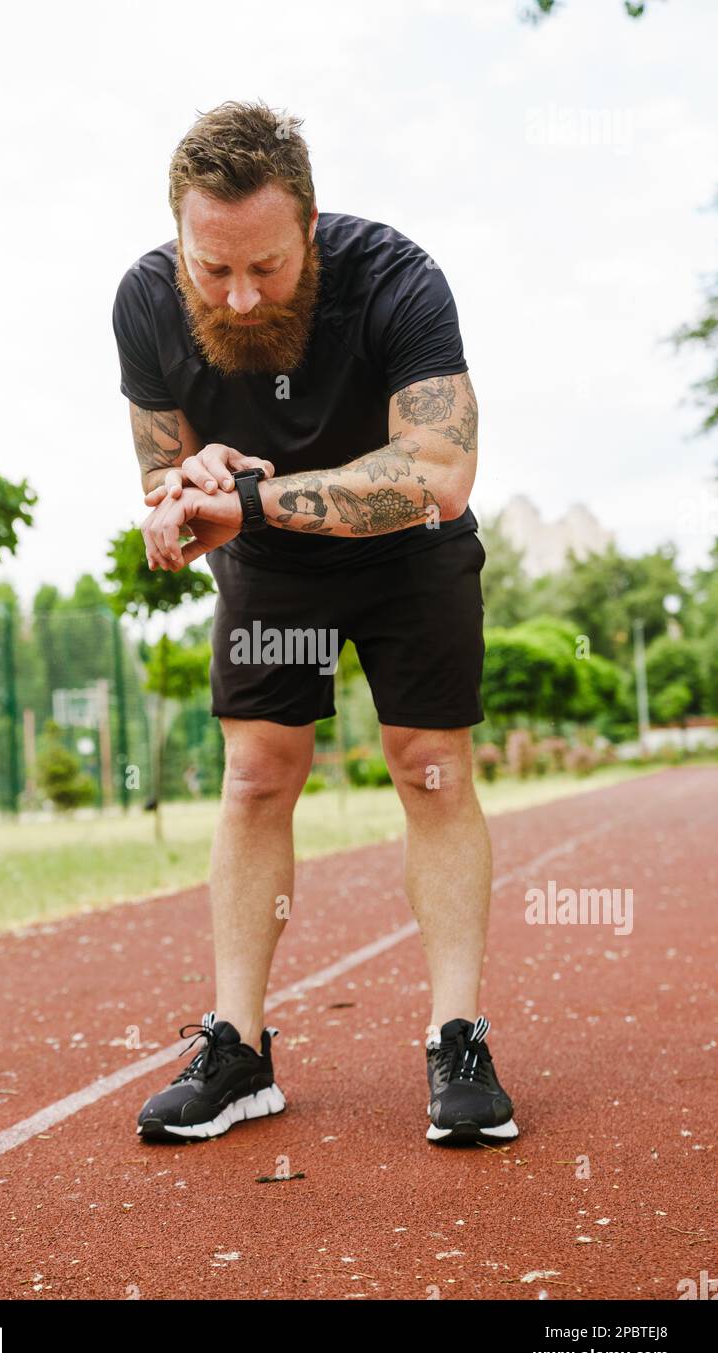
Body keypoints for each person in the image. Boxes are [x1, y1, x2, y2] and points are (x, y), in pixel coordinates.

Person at [112, 100, 517, 1147]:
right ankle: (239, 1050)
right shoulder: (145, 302)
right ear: (181, 241)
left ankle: (457, 1036)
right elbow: (161, 461)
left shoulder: (396, 277)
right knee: (254, 777)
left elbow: (439, 472)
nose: (240, 298)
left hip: (407, 549)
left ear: (311, 225)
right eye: (215, 271)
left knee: (429, 763)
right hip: (275, 565)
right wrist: (176, 490)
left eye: (269, 269)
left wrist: (248, 500)